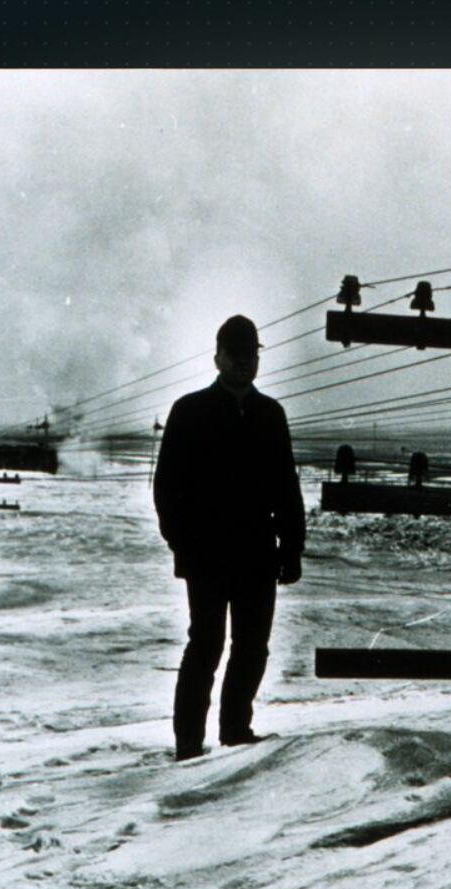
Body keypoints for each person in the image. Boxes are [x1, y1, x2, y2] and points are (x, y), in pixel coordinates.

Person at [153, 314, 306, 761]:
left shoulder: (270, 415)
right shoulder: (190, 412)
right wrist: (183, 544)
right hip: (207, 557)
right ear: (217, 356)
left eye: (251, 355)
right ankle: (188, 744)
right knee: (206, 645)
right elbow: (167, 489)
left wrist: (291, 548)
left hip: (258, 555)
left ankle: (236, 731)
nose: (243, 363)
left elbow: (286, 486)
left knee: (252, 648)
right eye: (236, 355)